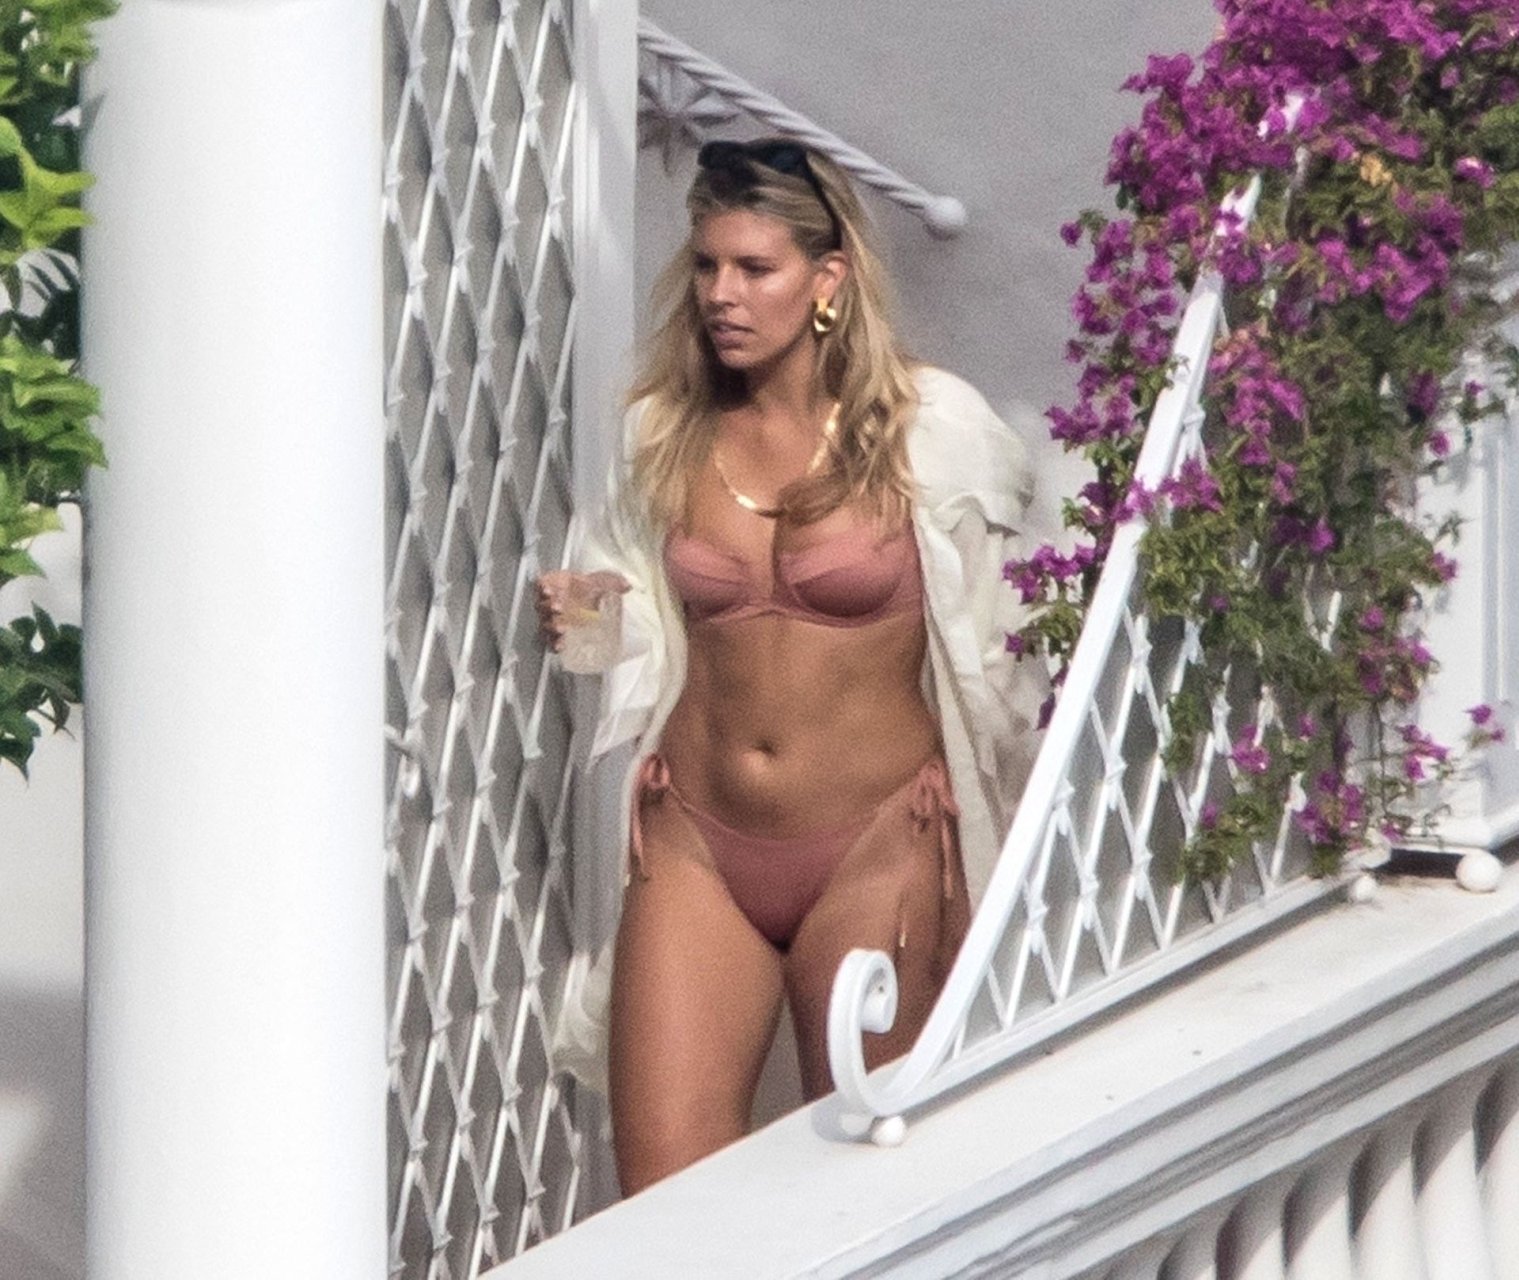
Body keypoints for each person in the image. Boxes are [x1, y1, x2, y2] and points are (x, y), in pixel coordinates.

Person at [537, 138, 1040, 1195]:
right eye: (707, 264)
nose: (721, 294)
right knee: (662, 1202)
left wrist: (978, 805)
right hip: (695, 839)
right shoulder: (662, 433)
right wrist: (590, 616)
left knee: (869, 1188)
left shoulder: (932, 430)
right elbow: (629, 630)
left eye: (754, 268)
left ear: (827, 279)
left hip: (875, 841)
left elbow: (1005, 643)